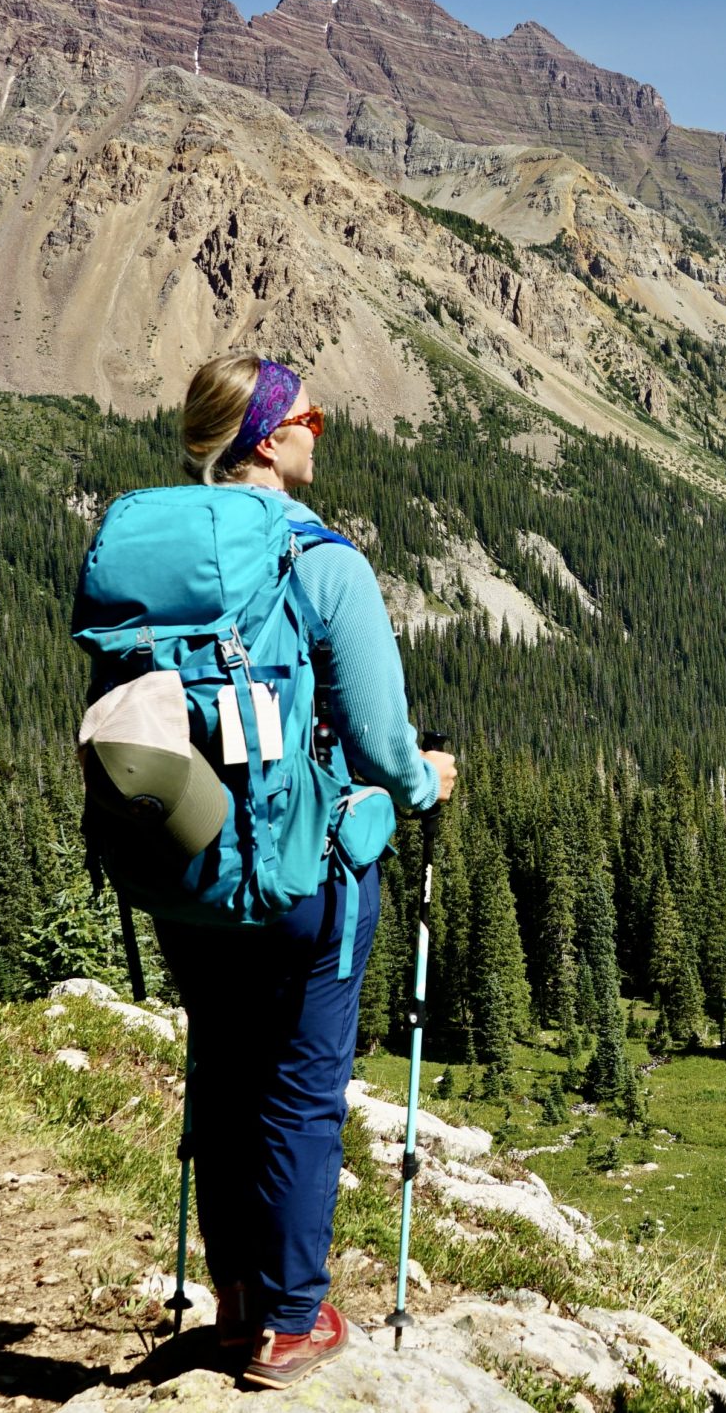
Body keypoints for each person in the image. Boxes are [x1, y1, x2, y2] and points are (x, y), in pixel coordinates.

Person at [159, 351, 456, 1391]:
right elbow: (377, 739)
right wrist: (427, 784)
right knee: (300, 1088)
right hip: (304, 874)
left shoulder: (157, 557)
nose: (320, 431)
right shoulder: (323, 561)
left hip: (187, 864)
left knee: (224, 1070)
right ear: (270, 437)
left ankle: (236, 1302)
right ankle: (291, 1323)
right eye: (311, 417)